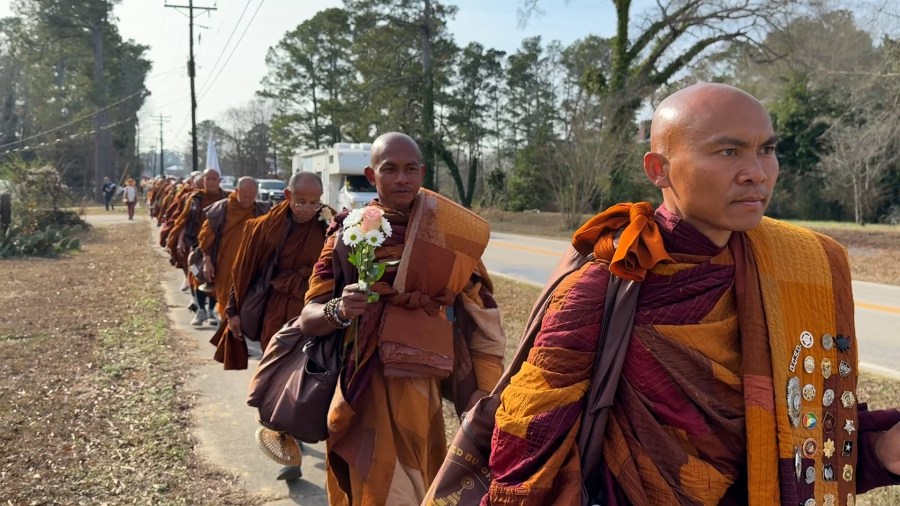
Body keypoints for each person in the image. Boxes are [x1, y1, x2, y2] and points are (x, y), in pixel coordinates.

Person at [475, 83, 900, 505]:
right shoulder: (606, 285)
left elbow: (811, 433)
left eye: (766, 149)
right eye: (728, 152)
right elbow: (526, 448)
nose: (757, 172)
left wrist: (881, 452)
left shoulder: (804, 267)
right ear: (658, 169)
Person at [298, 132, 506, 505]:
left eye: (410, 169)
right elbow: (308, 317)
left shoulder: (448, 232)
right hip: (365, 385)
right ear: (371, 174)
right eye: (389, 169)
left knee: (421, 481)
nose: (402, 179)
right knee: (379, 488)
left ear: (422, 172)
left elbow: (480, 312)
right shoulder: (348, 233)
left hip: (422, 385)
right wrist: (340, 309)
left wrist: (483, 387)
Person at [212, 172, 330, 481]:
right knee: (277, 379)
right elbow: (242, 272)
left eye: (314, 202)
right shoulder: (263, 228)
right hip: (275, 313)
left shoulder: (327, 228)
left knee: (305, 379)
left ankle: (298, 440)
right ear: (288, 196)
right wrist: (233, 312)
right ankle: (288, 448)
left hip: (311, 312)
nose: (307, 208)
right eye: (301, 201)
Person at [197, 176, 270, 322]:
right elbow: (205, 237)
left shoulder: (261, 210)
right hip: (225, 265)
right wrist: (207, 260)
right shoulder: (221, 210)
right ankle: (226, 330)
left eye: (251, 196)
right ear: (236, 191)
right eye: (244, 196)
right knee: (226, 301)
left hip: (250, 267)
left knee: (247, 301)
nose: (248, 200)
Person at [169, 169, 228, 326]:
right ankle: (200, 310)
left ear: (219, 180)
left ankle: (211, 312)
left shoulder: (226, 198)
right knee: (196, 276)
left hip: (219, 246)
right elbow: (184, 220)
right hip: (196, 244)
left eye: (214, 179)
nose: (211, 182)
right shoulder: (195, 198)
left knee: (214, 277)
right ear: (203, 180)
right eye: (208, 179)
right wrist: (180, 241)